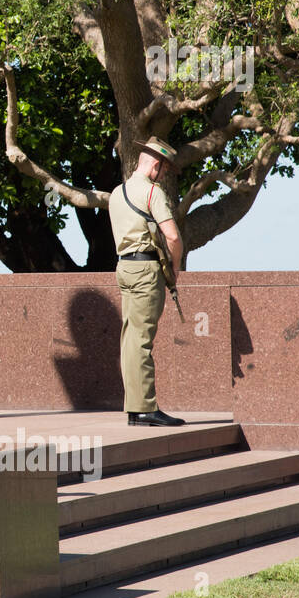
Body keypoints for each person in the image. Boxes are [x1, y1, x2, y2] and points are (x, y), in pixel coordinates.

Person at [108, 137, 186, 427]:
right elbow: (173, 236)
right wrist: (175, 267)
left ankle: (135, 408)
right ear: (156, 165)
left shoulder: (117, 193)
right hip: (145, 271)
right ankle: (145, 409)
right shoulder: (152, 192)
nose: (164, 176)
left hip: (124, 267)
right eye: (164, 170)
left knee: (130, 339)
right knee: (141, 341)